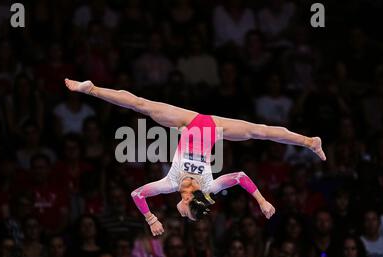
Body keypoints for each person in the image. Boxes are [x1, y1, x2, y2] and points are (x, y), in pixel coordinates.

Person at [64, 78, 326, 236]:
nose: (181, 215)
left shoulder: (172, 184)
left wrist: (150, 218)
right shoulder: (205, 187)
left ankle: (310, 141)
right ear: (189, 200)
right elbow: (240, 176)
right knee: (261, 132)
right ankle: (91, 89)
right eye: (186, 215)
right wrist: (261, 200)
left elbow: (136, 194)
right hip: (210, 126)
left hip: (193, 124)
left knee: (142, 104)